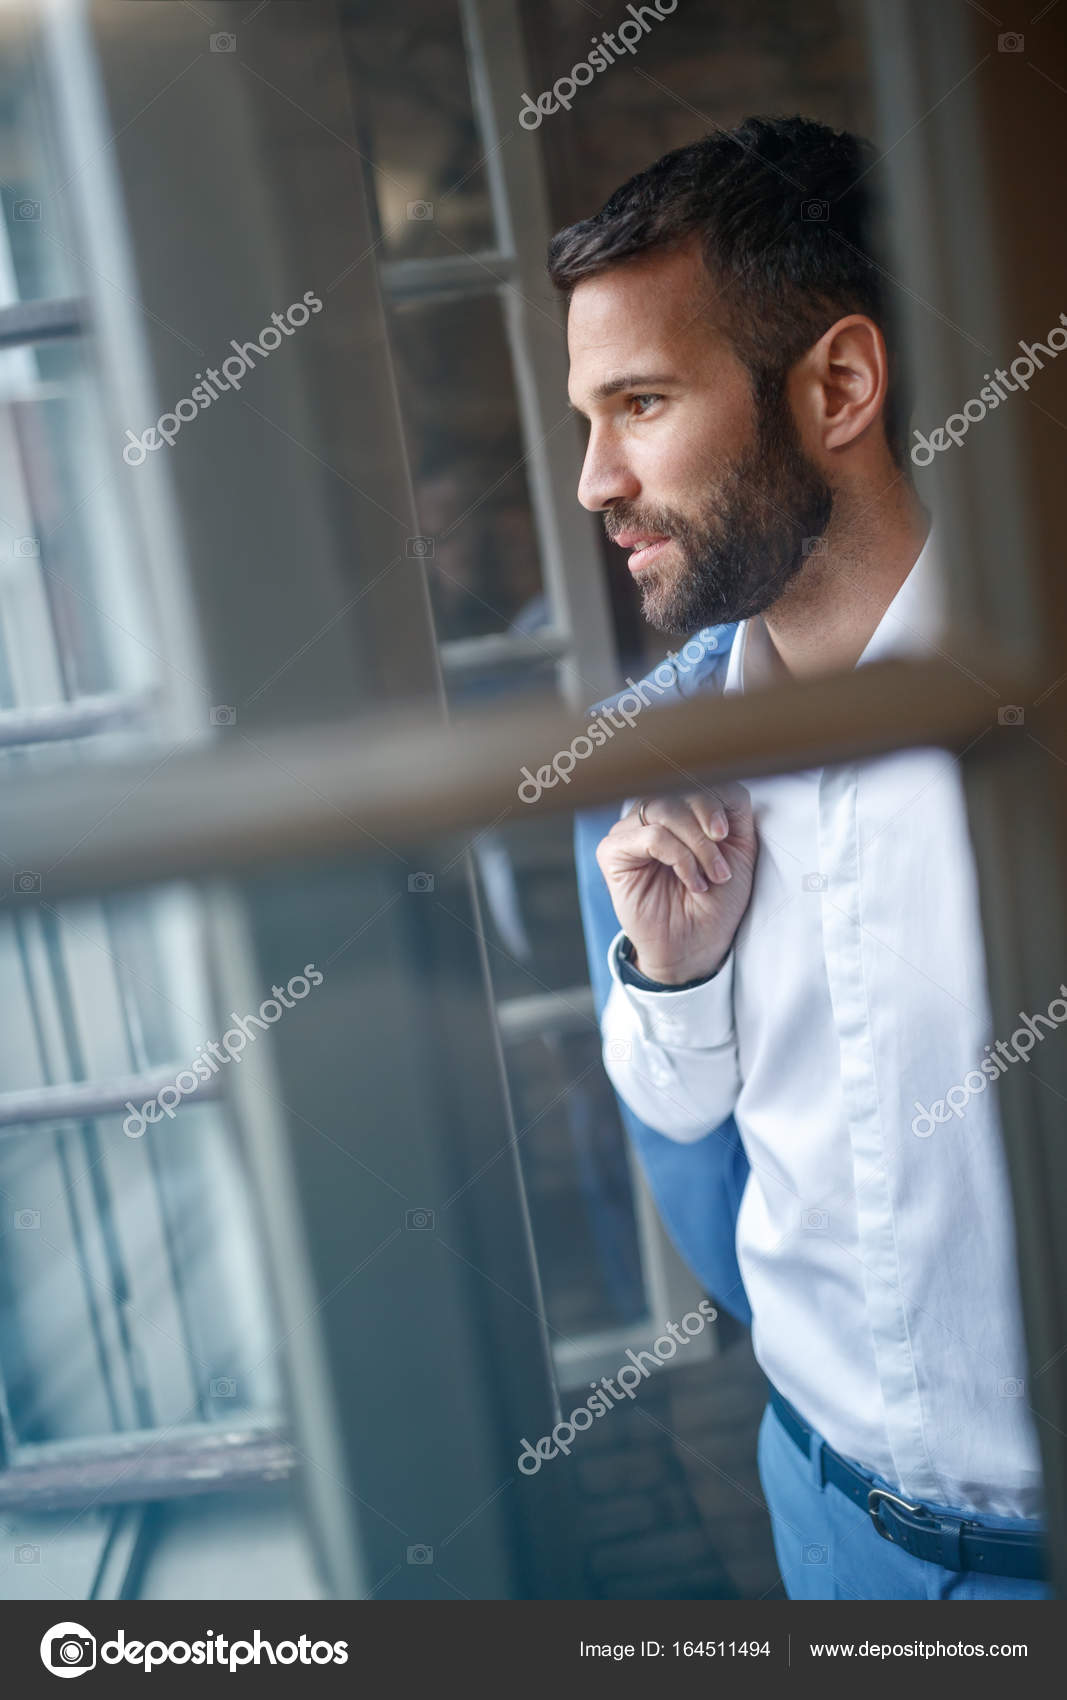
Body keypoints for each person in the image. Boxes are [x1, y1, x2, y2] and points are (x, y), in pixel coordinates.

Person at [550, 115, 1049, 1600]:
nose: (593, 479)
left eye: (639, 403)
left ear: (837, 385)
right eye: (590, 415)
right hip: (829, 1528)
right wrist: (678, 977)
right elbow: (690, 1166)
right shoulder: (646, 759)